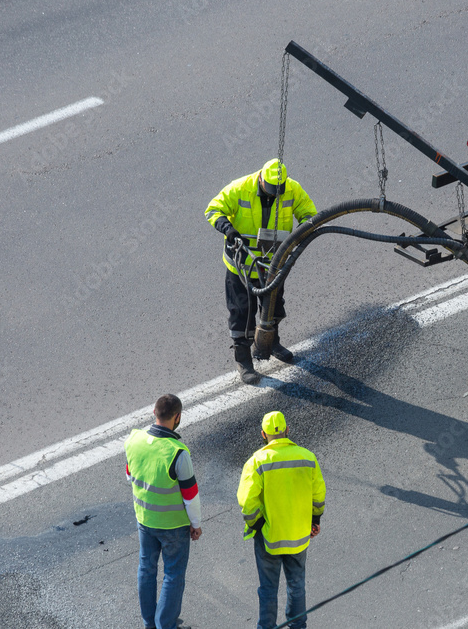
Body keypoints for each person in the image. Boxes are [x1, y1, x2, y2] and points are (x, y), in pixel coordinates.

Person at [205, 159, 318, 385]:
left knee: (273, 308)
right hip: (242, 266)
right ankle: (244, 360)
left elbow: (310, 215)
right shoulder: (240, 188)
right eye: (271, 189)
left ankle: (270, 343)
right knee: (242, 313)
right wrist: (228, 229)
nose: (275, 194)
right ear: (261, 179)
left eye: (279, 190)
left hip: (273, 265)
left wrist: (302, 232)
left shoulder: (291, 189)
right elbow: (213, 210)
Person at [237, 411, 326, 629]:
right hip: (299, 535)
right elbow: (318, 495)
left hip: (270, 537)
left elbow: (247, 501)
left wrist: (258, 525)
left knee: (268, 588)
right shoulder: (307, 457)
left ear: (263, 434)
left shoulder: (257, 462)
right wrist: (314, 520)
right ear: (287, 430)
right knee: (296, 585)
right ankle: (298, 625)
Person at [124, 394, 203, 629]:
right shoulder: (178, 452)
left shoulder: (134, 440)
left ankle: (150, 623)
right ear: (177, 417)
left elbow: (130, 476)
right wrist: (196, 524)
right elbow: (191, 496)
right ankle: (165, 625)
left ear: (154, 412)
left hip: (144, 520)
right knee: (173, 575)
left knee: (146, 569)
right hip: (173, 526)